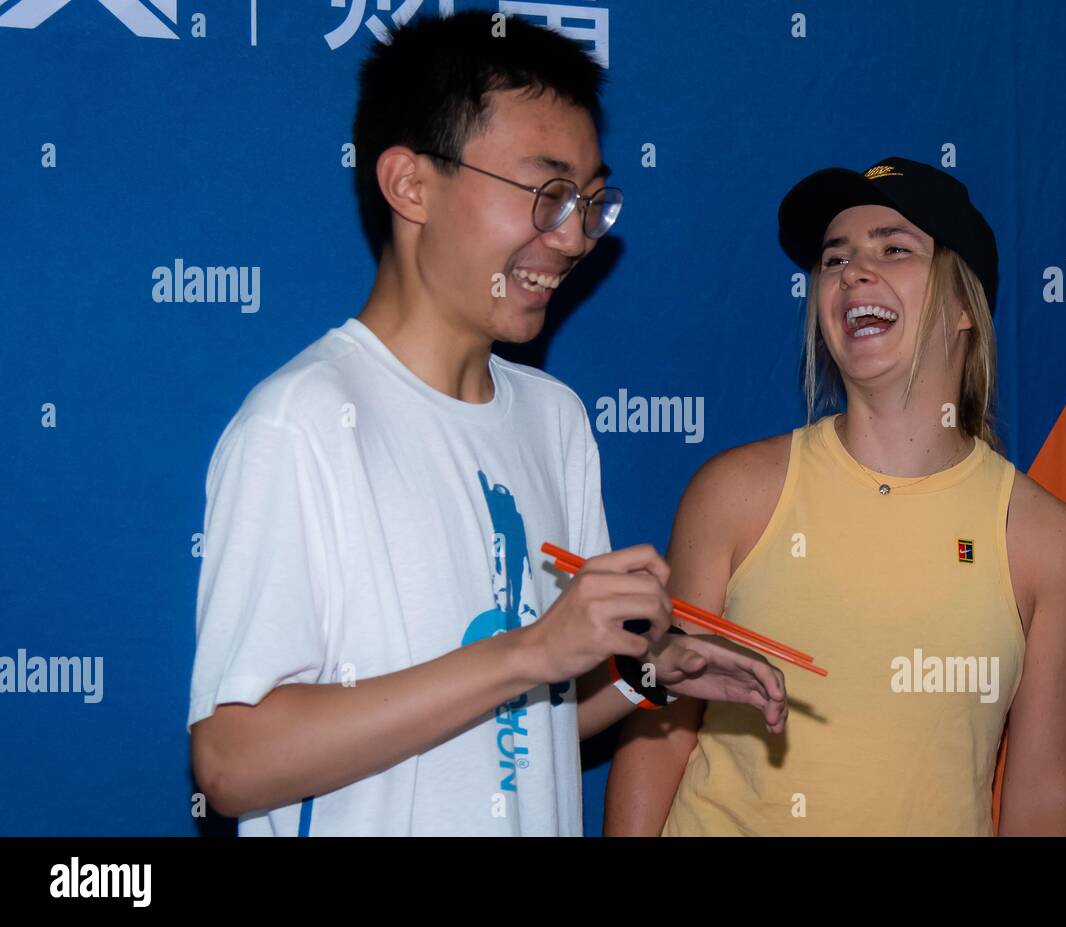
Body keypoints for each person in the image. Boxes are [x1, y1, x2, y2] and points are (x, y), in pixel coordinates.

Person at [186, 10, 786, 837]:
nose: (573, 236)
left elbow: (523, 733)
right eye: (546, 195)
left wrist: (649, 677)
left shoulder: (555, 419)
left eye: (588, 200)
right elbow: (232, 761)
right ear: (411, 185)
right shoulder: (303, 423)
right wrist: (532, 649)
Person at [605, 157, 1066, 836]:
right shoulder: (734, 494)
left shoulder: (1046, 540)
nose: (853, 272)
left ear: (963, 304)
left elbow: (1041, 792)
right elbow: (662, 719)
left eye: (894, 249)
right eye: (835, 259)